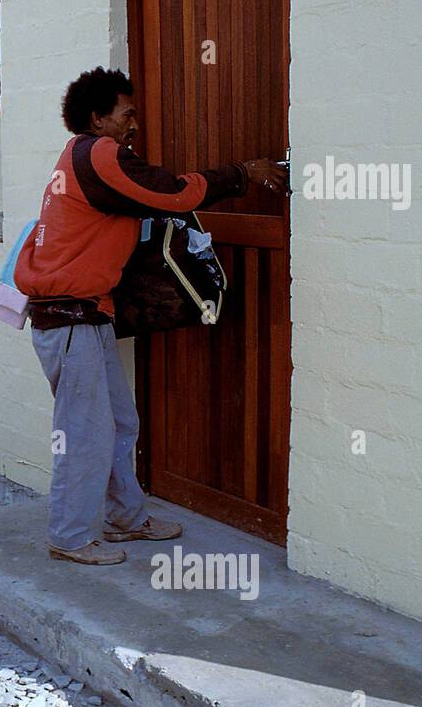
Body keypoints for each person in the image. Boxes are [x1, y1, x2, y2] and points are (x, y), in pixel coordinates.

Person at [14, 66, 287, 566]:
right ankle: (69, 536)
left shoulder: (79, 158)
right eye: (128, 114)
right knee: (85, 432)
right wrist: (244, 174)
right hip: (69, 317)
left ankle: (125, 518)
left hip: (87, 315)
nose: (135, 123)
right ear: (99, 119)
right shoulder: (97, 154)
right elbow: (172, 192)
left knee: (119, 421)